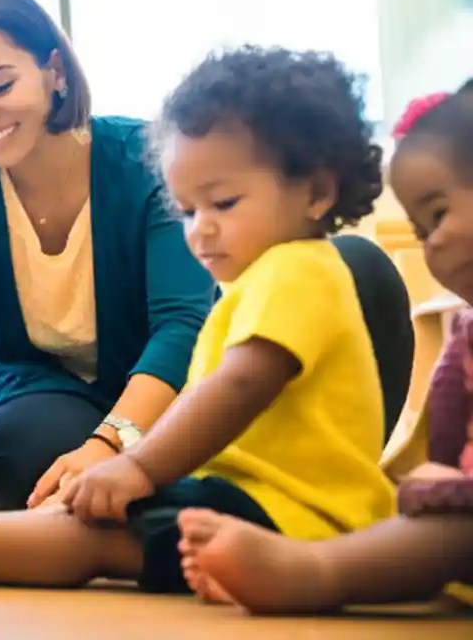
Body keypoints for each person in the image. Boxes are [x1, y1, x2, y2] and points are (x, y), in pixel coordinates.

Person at [0, 46, 397, 596]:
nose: (199, 231)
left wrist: (136, 466)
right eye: (187, 211)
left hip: (292, 513)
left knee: (95, 535)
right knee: (88, 519)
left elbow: (235, 386)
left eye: (224, 204)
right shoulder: (266, 280)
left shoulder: (297, 273)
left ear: (315, 192)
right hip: (248, 496)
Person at [177, 80, 473, 614]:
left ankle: (314, 571)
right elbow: (447, 430)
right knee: (442, 531)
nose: (434, 244)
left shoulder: (298, 272)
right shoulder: (465, 335)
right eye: (421, 228)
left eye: (440, 214)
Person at [0, 0, 214, 510]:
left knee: (112, 459)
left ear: (55, 71)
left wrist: (108, 444)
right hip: (48, 401)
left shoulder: (149, 164)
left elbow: (181, 325)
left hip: (166, 387)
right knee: (32, 451)